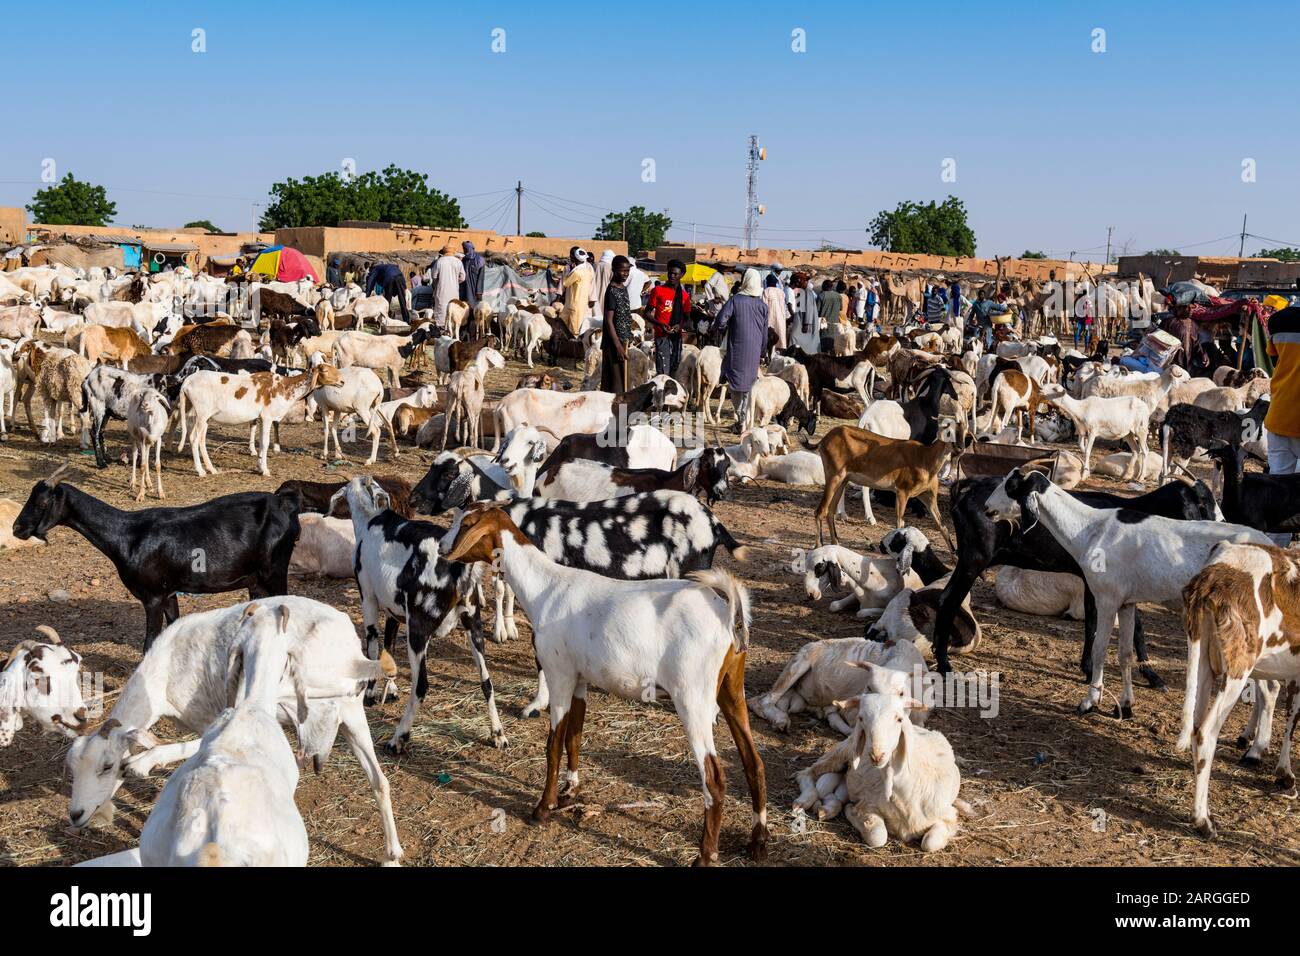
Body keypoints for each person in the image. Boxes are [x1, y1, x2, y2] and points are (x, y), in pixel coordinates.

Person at [715, 268, 769, 432]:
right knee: (749, 384)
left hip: (737, 347)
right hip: (754, 350)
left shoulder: (735, 300)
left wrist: (726, 328)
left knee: (735, 383)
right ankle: (745, 419)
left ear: (745, 281)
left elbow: (720, 321)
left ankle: (741, 418)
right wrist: (762, 352)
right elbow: (765, 332)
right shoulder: (762, 305)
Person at [1265, 303, 1300, 545]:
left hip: (1279, 414)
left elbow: (1277, 360)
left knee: (1279, 485)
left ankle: (1275, 550)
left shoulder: (1279, 320)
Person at [647, 259, 691, 376]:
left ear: (682, 275)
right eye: (670, 273)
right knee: (662, 370)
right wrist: (659, 324)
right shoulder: (657, 291)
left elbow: (687, 320)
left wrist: (679, 326)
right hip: (661, 336)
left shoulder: (685, 296)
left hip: (676, 337)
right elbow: (647, 313)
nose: (672, 276)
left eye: (675, 274)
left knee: (674, 369)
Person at [600, 256, 635, 392]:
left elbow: (625, 314)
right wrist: (618, 346)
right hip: (613, 343)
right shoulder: (612, 291)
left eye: (627, 271)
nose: (625, 274)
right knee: (616, 383)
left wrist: (628, 336)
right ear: (614, 270)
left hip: (623, 341)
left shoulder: (623, 288)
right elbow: (609, 321)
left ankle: (622, 412)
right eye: (622, 271)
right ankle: (616, 412)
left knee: (623, 379)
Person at [560, 247, 594, 338]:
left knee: (573, 327)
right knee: (577, 324)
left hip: (573, 303)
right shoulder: (588, 271)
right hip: (582, 303)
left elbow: (565, 283)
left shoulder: (577, 272)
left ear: (575, 259)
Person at [365, 260, 412, 327]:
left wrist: (367, 295)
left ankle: (385, 322)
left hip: (389, 278)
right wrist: (404, 287)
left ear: (373, 267)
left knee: (386, 303)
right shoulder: (390, 266)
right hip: (400, 277)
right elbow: (399, 273)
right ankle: (407, 322)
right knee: (402, 302)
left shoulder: (376, 268)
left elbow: (370, 281)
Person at [431, 244, 465, 327]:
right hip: (454, 291)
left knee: (441, 310)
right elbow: (463, 277)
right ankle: (453, 330)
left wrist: (438, 282)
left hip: (441, 291)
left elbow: (434, 276)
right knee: (454, 310)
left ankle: (441, 329)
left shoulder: (439, 261)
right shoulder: (458, 262)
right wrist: (455, 282)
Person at [789, 272, 820, 353]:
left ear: (798, 282)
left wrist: (806, 323)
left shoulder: (807, 292)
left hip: (805, 323)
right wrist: (791, 319)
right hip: (800, 320)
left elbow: (809, 308)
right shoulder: (801, 291)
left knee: (794, 337)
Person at [762, 273, 789, 356]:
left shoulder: (766, 291)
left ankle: (768, 356)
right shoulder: (781, 292)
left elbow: (763, 306)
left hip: (769, 317)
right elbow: (784, 306)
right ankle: (777, 356)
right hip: (780, 318)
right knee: (779, 336)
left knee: (769, 337)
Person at [591, 250, 615, 321]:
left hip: (594, 293)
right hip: (606, 293)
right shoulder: (610, 267)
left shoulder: (597, 265)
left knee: (595, 313)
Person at [460, 240, 485, 307]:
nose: (464, 251)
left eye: (465, 249)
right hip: (465, 288)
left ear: (470, 248)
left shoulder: (480, 260)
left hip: (475, 289)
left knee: (475, 307)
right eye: (463, 249)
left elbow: (481, 278)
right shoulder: (464, 260)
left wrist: (479, 292)